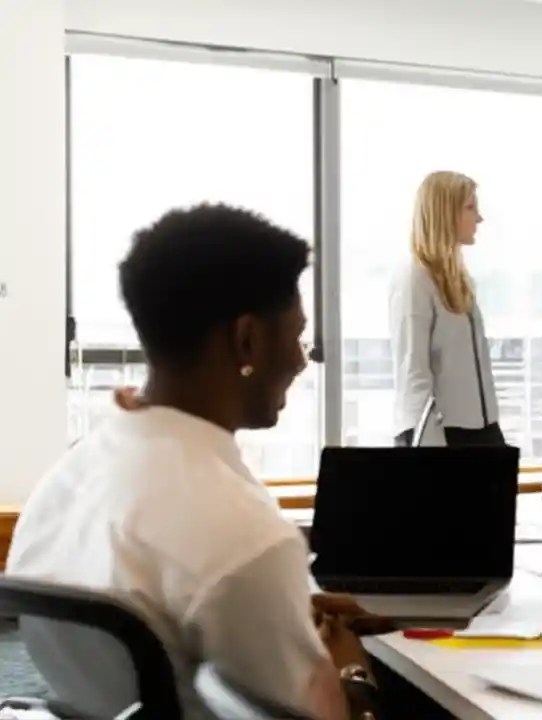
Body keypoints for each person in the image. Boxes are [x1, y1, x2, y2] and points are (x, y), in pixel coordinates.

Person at [7, 204, 384, 719]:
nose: (301, 359)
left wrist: (280, 609)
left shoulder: (70, 477)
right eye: (295, 334)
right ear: (246, 339)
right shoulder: (248, 538)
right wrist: (349, 665)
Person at [389, 171, 502, 447]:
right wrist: (430, 447)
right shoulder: (415, 277)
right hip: (441, 436)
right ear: (445, 212)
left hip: (481, 431)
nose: (479, 217)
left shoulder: (459, 277)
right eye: (470, 207)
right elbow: (413, 371)